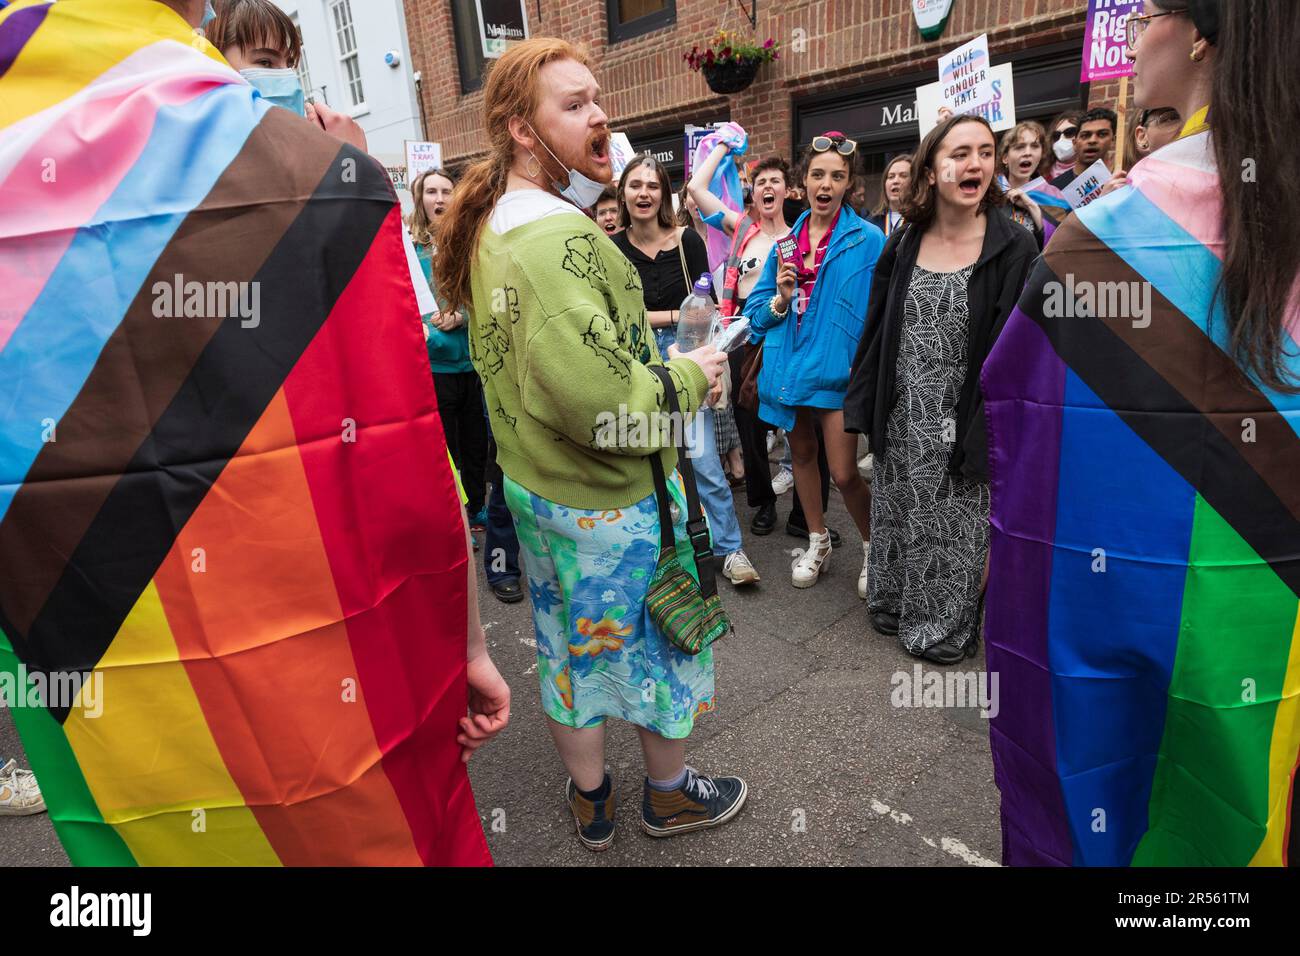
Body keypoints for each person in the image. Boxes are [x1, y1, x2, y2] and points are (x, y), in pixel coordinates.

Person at [0, 0, 508, 866]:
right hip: (305, 633)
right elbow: (400, 446)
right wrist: (456, 641)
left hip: (92, 661)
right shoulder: (318, 177)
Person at [983, 0, 1300, 866]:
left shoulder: (1113, 234)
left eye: (1151, 11)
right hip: (1272, 628)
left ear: (1201, 34)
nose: (1132, 37)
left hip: (1118, 607)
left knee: (1121, 794)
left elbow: (1021, 401)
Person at [432, 38, 747, 850]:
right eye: (572, 105)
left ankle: (593, 802)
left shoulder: (504, 225)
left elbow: (555, 366)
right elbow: (610, 409)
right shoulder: (551, 242)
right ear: (521, 132)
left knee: (571, 649)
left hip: (542, 494)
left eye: (596, 97)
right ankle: (668, 798)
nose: (600, 114)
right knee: (663, 652)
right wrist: (693, 376)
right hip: (609, 501)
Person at [845, 114, 1036, 662]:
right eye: (958, 153)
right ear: (931, 168)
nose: (973, 163)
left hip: (966, 418)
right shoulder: (906, 238)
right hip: (905, 409)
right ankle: (894, 602)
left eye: (983, 152)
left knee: (954, 527)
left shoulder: (1014, 248)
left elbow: (1017, 354)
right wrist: (864, 404)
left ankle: (943, 627)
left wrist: (992, 431)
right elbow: (878, 330)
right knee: (901, 512)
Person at [743, 132, 883, 593]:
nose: (827, 183)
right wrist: (781, 300)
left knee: (844, 473)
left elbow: (882, 310)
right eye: (818, 174)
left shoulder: (869, 240)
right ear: (803, 182)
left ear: (848, 184)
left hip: (837, 376)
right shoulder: (784, 245)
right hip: (789, 371)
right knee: (801, 455)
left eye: (837, 176)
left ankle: (873, 549)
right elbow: (755, 316)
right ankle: (817, 541)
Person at [613, 155, 759, 587]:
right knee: (645, 459)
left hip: (689, 351)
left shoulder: (685, 241)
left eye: (652, 185)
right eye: (635, 185)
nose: (643, 193)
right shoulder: (612, 247)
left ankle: (730, 550)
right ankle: (665, 554)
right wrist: (672, 313)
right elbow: (619, 315)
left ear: (664, 194)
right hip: (637, 359)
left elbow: (707, 307)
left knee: (703, 461)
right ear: (623, 193)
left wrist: (709, 366)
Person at [409, 167, 492, 533]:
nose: (440, 199)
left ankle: (476, 508)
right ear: (419, 197)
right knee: (446, 449)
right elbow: (402, 301)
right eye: (431, 192)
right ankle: (453, 515)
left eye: (446, 191)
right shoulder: (408, 251)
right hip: (434, 368)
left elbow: (486, 297)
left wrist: (462, 316)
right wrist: (427, 324)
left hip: (472, 362)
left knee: (477, 445)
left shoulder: (466, 242)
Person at [997, 121, 1050, 245]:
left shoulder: (1052, 196)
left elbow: (1057, 245)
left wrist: (1032, 207)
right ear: (1005, 158)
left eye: (1035, 146)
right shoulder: (988, 191)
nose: (1028, 153)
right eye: (1019, 147)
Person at [1051, 107, 1117, 189]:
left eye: (1102, 134)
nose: (1092, 140)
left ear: (1113, 141)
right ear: (1074, 143)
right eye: (1085, 135)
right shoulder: (1054, 188)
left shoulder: (1123, 180)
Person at [867, 154, 912, 237]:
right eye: (891, 177)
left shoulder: (920, 222)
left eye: (903, 176)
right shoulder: (871, 223)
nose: (895, 181)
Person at [1046, 109, 1083, 181]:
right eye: (1056, 135)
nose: (1061, 139)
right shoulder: (1042, 174)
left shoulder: (1095, 172)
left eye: (1069, 132)